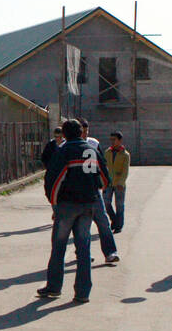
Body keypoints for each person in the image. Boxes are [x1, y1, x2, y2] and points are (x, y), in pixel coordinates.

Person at [40, 118, 110, 303]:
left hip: (67, 205)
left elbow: (53, 180)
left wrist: (55, 204)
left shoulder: (64, 151)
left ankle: (54, 288)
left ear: (64, 134)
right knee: (84, 248)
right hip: (88, 205)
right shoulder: (92, 150)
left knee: (59, 247)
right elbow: (104, 179)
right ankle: (82, 292)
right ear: (81, 133)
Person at [80, 119, 120, 263]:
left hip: (94, 191)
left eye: (86, 131)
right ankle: (84, 253)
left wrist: (104, 183)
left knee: (103, 223)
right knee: (83, 226)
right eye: (82, 131)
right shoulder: (68, 147)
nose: (85, 134)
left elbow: (102, 164)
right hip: (78, 194)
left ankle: (110, 252)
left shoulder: (94, 144)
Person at [104, 132, 130, 233]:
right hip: (108, 183)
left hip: (119, 183)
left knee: (119, 205)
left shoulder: (125, 155)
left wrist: (121, 182)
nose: (112, 141)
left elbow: (125, 170)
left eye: (114, 139)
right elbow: (104, 167)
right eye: (111, 139)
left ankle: (118, 226)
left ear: (120, 140)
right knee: (106, 203)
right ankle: (114, 220)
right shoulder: (107, 152)